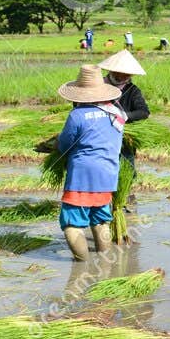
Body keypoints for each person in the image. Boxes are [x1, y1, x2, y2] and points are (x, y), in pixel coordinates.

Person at [53, 65, 125, 261]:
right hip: (108, 175)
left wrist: (50, 145)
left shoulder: (77, 115)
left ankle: (82, 267)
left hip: (81, 177)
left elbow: (65, 144)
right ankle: (105, 262)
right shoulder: (116, 114)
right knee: (101, 219)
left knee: (72, 223)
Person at [98, 50, 149, 123]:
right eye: (122, 73)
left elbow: (144, 112)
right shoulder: (98, 85)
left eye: (128, 74)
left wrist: (122, 116)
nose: (125, 76)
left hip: (122, 124)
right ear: (112, 71)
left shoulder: (132, 90)